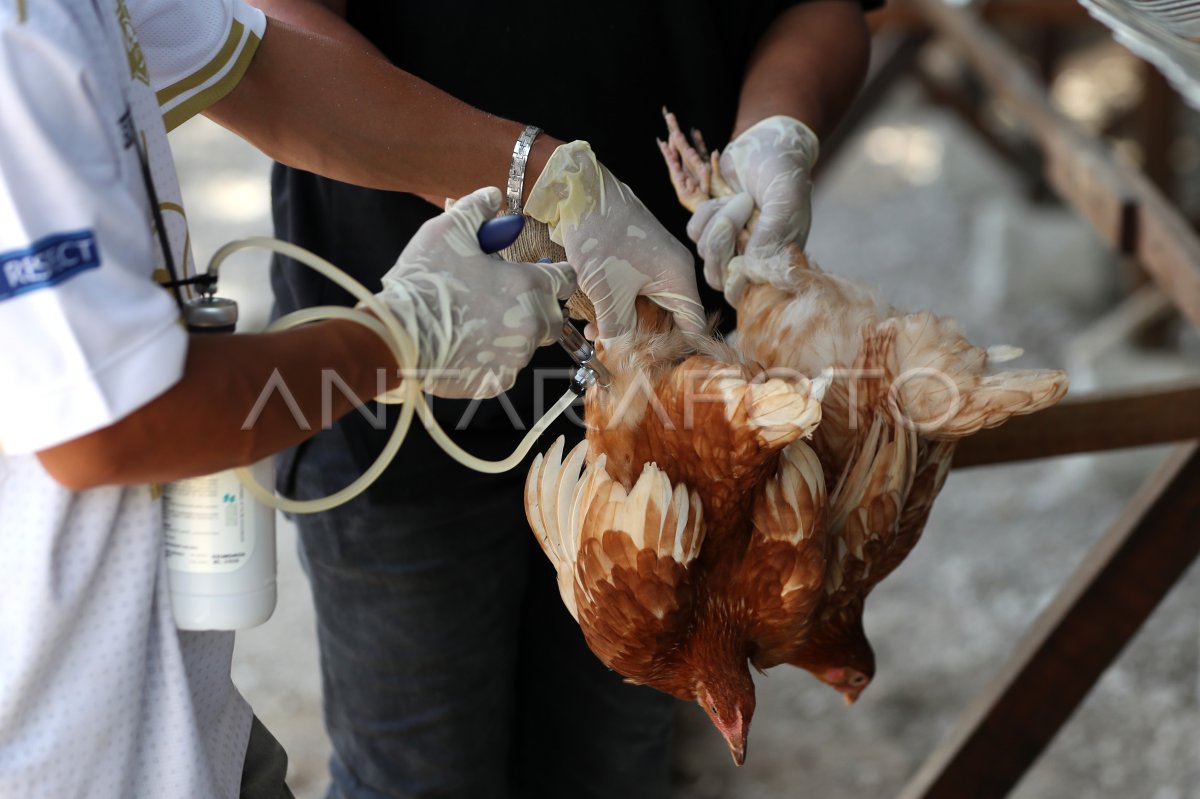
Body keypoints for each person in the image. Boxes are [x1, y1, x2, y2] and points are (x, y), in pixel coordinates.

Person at [0, 0, 655, 794]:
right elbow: (114, 427)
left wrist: (563, 182)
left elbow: (265, 73)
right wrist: (403, 335)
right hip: (59, 737)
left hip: (163, 708)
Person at [256, 1, 880, 797]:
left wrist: (776, 132)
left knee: (616, 766)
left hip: (670, 386)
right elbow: (259, 42)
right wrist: (541, 183)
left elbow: (821, 8)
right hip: (405, 361)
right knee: (419, 775)